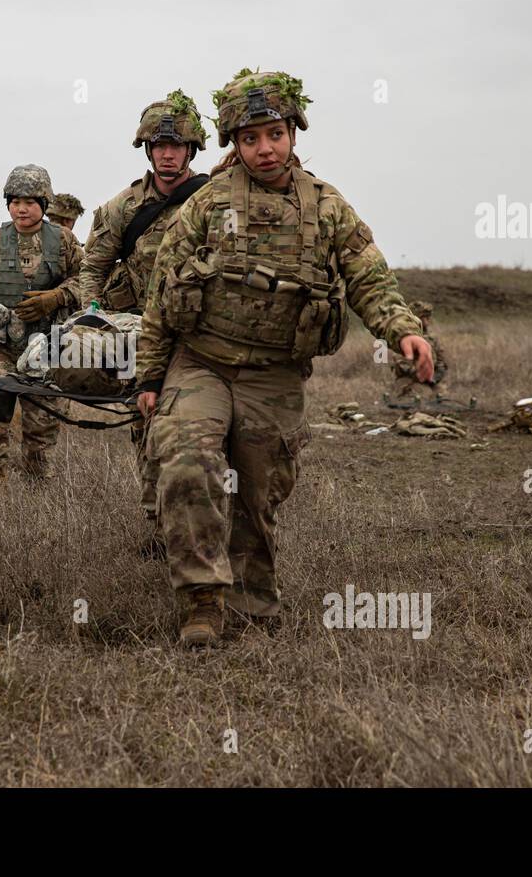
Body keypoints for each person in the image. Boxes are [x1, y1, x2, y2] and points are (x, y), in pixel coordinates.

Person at [134, 69, 433, 647]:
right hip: (201, 362)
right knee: (186, 461)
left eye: (273, 134)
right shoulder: (206, 204)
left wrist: (402, 332)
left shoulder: (326, 206)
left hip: (273, 373)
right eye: (249, 139)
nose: (264, 149)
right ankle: (201, 602)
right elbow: (160, 296)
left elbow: (367, 275)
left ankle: (250, 606)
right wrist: (150, 376)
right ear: (233, 144)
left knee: (256, 492)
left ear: (294, 132)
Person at [74, 91, 211, 550]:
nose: (167, 154)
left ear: (191, 150)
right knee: (148, 429)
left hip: (200, 337)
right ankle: (159, 526)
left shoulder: (211, 201)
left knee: (199, 435)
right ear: (147, 150)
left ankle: (203, 525)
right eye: (158, 146)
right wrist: (95, 320)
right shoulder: (124, 208)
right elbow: (91, 268)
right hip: (141, 335)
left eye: (176, 146)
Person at [0, 164, 84, 477]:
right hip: (0, 349)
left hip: (46, 348)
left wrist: (57, 297)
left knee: (41, 429)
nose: (21, 209)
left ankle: (37, 493)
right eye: (14, 201)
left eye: (30, 202)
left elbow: (87, 279)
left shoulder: (64, 241)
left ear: (44, 204)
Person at [393, 300, 448, 399]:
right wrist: (420, 374)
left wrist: (436, 376)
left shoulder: (432, 337)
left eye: (428, 317)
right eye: (424, 317)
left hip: (431, 379)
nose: (428, 320)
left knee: (442, 396)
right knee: (421, 397)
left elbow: (441, 361)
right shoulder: (405, 337)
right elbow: (402, 365)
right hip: (409, 380)